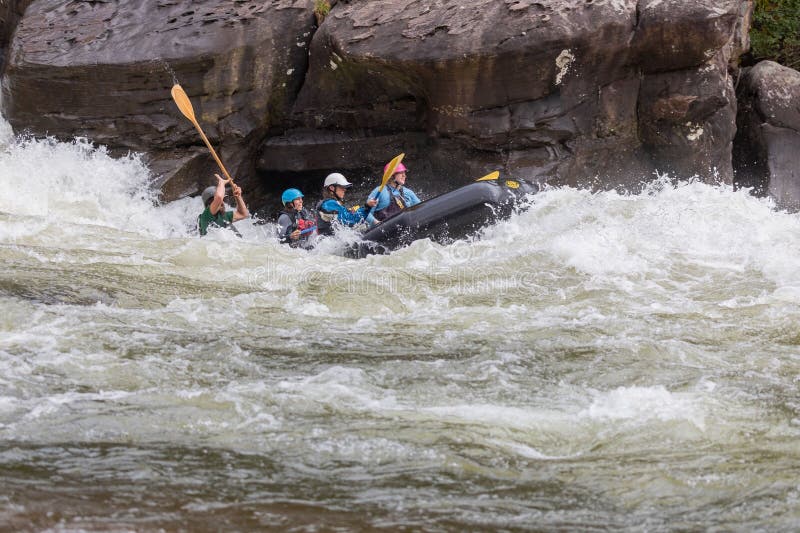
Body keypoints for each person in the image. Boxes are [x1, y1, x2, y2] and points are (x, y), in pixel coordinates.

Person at [366, 162, 421, 226]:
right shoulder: (379, 191)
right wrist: (377, 223)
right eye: (401, 173)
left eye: (404, 172)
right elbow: (366, 213)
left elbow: (421, 209)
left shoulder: (408, 192)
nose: (404, 176)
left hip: (404, 229)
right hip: (381, 231)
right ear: (392, 175)